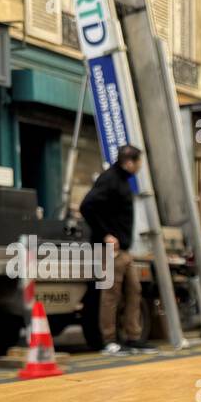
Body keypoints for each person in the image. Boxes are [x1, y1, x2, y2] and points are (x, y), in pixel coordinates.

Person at [79, 144, 151, 355]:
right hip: (109, 249)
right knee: (110, 294)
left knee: (134, 290)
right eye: (138, 162)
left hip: (124, 250)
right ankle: (108, 340)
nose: (140, 166)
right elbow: (87, 206)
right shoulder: (109, 179)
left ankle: (133, 336)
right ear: (129, 162)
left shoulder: (123, 181)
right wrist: (105, 235)